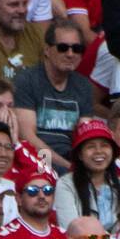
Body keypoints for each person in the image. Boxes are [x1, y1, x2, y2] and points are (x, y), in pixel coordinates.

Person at [13, 18, 94, 173]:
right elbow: (27, 137)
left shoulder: (84, 86)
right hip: (36, 159)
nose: (70, 54)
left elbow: (85, 136)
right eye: (63, 48)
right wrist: (67, 167)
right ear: (47, 50)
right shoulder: (27, 80)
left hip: (70, 160)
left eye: (77, 49)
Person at [54, 117, 120, 231]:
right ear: (80, 155)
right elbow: (71, 229)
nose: (98, 151)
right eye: (91, 146)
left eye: (104, 145)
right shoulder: (65, 184)